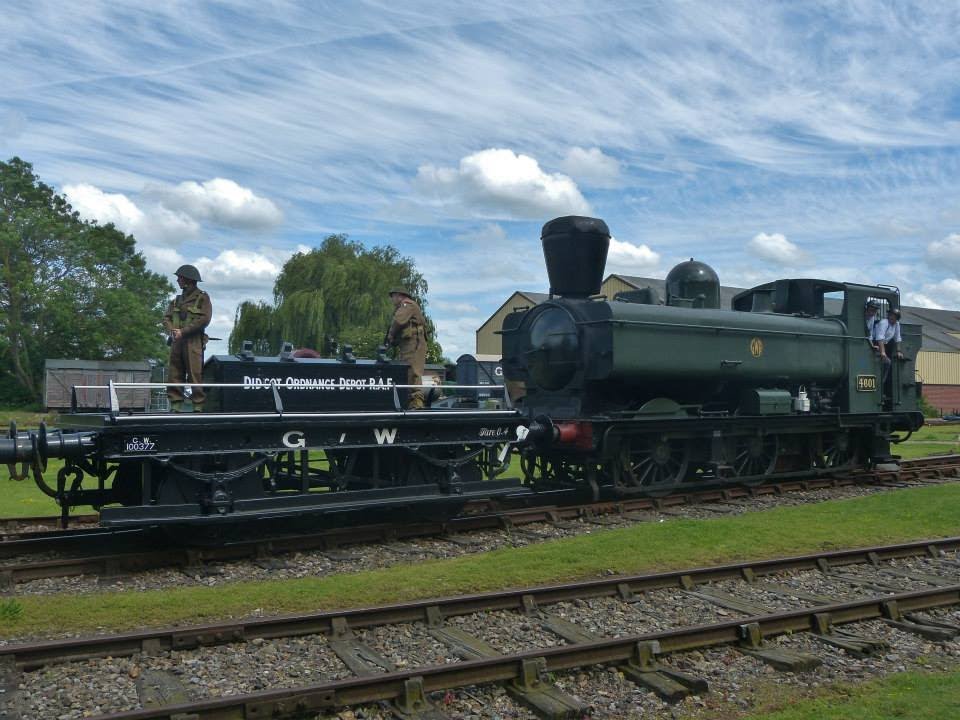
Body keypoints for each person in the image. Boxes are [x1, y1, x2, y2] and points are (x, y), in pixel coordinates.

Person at [163, 265, 212, 412]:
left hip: (193, 342)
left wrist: (183, 331)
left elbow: (204, 319)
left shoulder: (202, 298)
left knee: (194, 373)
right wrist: (173, 330)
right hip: (177, 341)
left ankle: (198, 405)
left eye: (180, 277)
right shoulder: (176, 300)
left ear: (188, 280)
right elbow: (166, 318)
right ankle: (176, 404)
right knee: (175, 372)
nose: (177, 280)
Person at [386, 288, 427, 410]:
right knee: (407, 370)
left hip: (414, 343)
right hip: (408, 343)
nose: (392, 299)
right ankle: (410, 401)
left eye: (393, 296)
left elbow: (398, 321)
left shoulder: (407, 305)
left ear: (400, 296)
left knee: (413, 371)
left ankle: (416, 403)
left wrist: (390, 335)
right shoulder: (405, 306)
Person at [873, 308, 904, 404]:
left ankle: (881, 387)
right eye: (890, 315)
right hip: (875, 344)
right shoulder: (884, 323)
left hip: (884, 344)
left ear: (896, 318)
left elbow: (897, 338)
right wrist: (882, 352)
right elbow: (880, 338)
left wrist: (899, 351)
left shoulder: (897, 325)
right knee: (887, 362)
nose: (891, 317)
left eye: (893, 316)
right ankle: (879, 389)